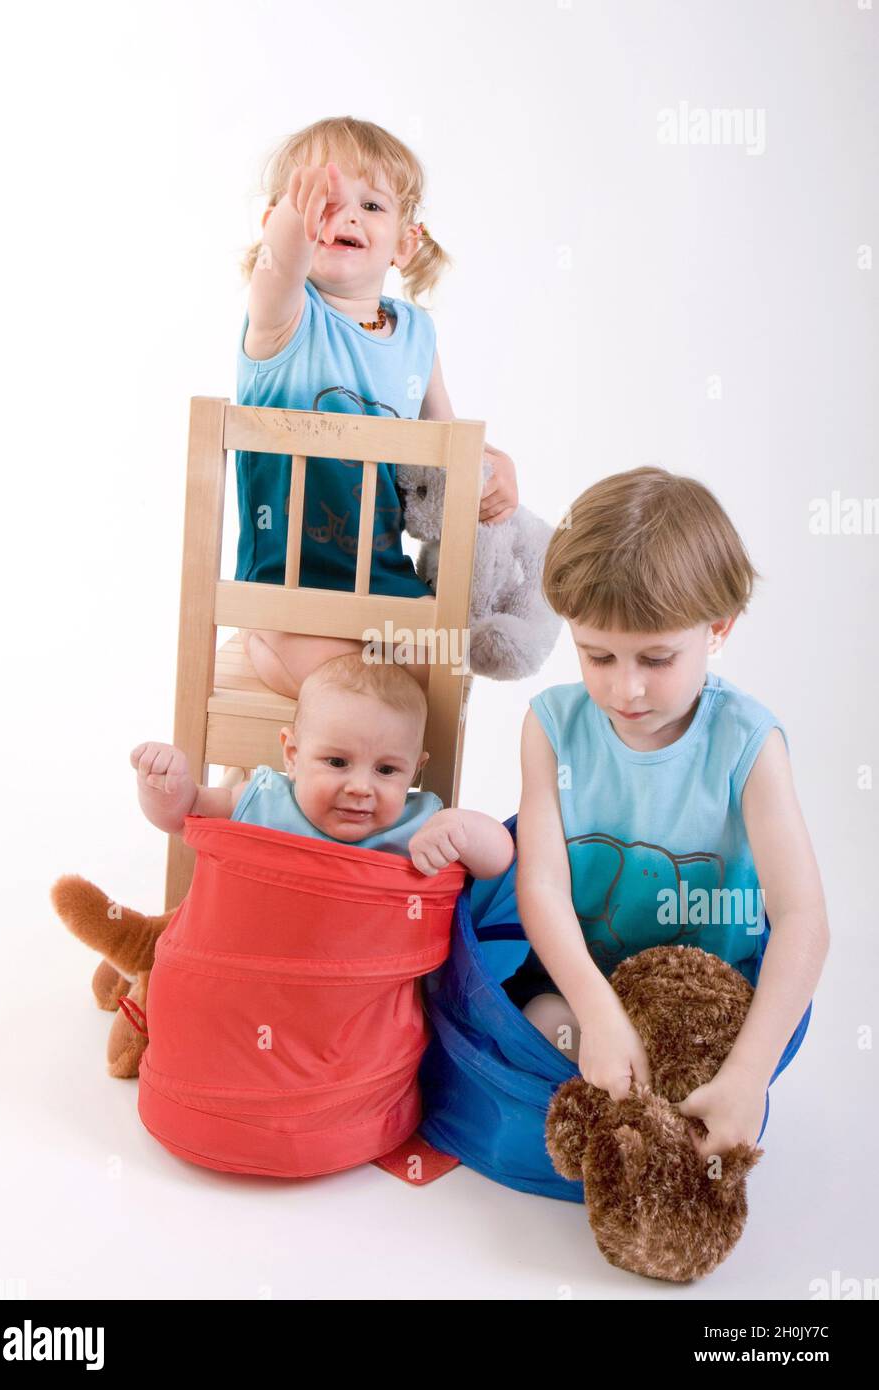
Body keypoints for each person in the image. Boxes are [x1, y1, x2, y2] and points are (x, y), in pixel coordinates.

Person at [507, 465, 829, 1160]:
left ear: (718, 628)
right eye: (597, 656)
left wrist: (749, 1071)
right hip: (586, 984)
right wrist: (597, 1013)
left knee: (711, 1098)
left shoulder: (748, 742)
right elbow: (541, 887)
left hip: (708, 1005)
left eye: (657, 658)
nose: (626, 688)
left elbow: (803, 919)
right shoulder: (551, 727)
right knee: (540, 1021)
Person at [233, 115, 518, 702]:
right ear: (276, 227)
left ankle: (359, 782)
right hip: (292, 590)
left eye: (371, 205)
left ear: (405, 243)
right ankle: (268, 704)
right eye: (321, 202)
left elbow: (449, 443)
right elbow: (280, 268)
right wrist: (290, 229)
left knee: (440, 680)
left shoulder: (417, 336)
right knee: (352, 690)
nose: (346, 216)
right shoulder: (283, 317)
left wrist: (495, 470)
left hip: (384, 584)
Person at [131, 653, 514, 880]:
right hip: (261, 967)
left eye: (386, 770)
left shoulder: (418, 824)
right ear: (293, 755)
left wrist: (460, 830)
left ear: (415, 771)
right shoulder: (264, 800)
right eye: (337, 762)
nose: (361, 787)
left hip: (361, 988)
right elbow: (184, 815)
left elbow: (499, 860)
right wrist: (166, 786)